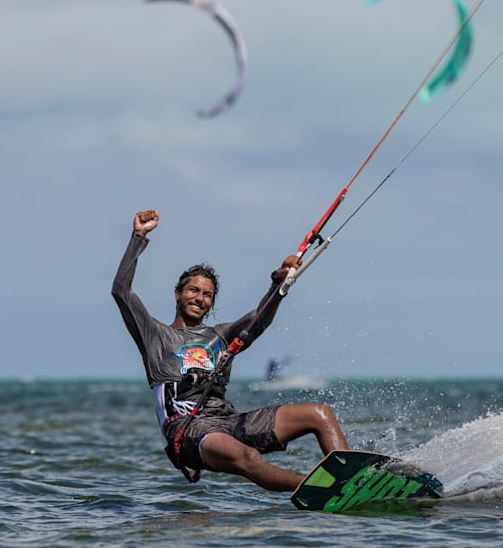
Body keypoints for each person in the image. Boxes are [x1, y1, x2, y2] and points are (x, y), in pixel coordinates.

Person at [112, 208, 350, 492]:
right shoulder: (155, 335)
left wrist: (280, 283)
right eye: (193, 290)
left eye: (207, 295)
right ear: (178, 293)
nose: (199, 298)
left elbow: (259, 319)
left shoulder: (220, 336)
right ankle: (324, 491)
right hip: (188, 431)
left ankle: (351, 479)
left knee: (318, 413)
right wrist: (138, 237)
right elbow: (121, 291)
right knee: (246, 456)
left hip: (228, 421)